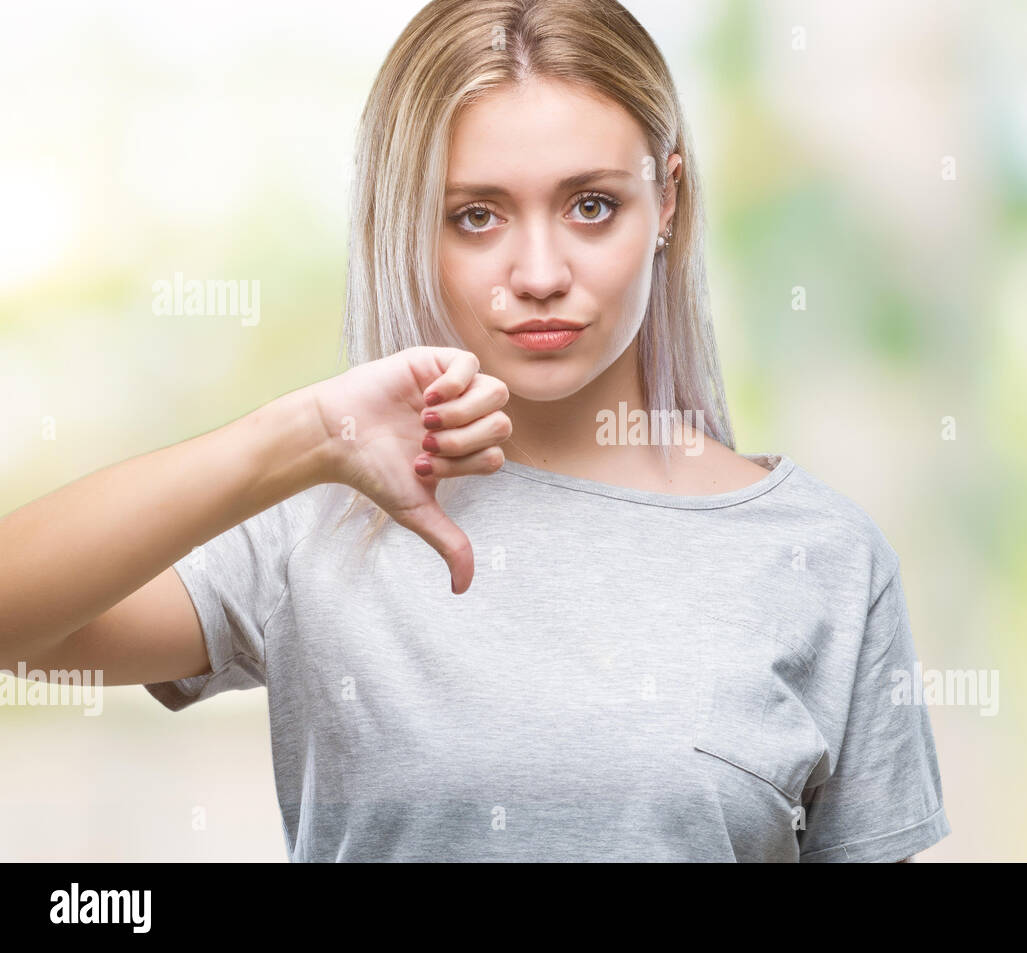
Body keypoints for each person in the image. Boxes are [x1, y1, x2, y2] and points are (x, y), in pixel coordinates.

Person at [0, 0, 950, 862]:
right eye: (476, 214)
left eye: (591, 205)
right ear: (411, 221)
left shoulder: (822, 557)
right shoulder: (322, 518)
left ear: (668, 201)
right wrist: (302, 432)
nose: (538, 271)